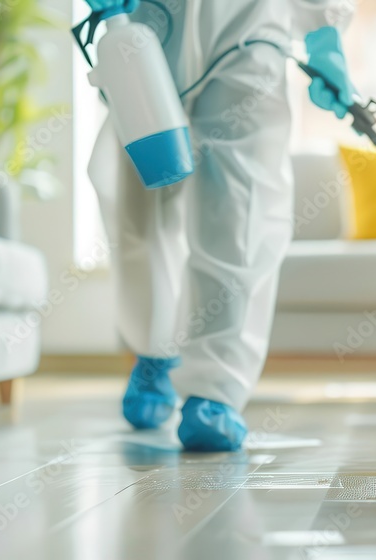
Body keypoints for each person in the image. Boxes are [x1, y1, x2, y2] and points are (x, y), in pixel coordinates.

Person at [86, 0, 356, 451]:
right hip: (147, 28)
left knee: (240, 214)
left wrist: (323, 29)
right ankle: (153, 352)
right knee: (140, 213)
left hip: (249, 31)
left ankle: (214, 391)